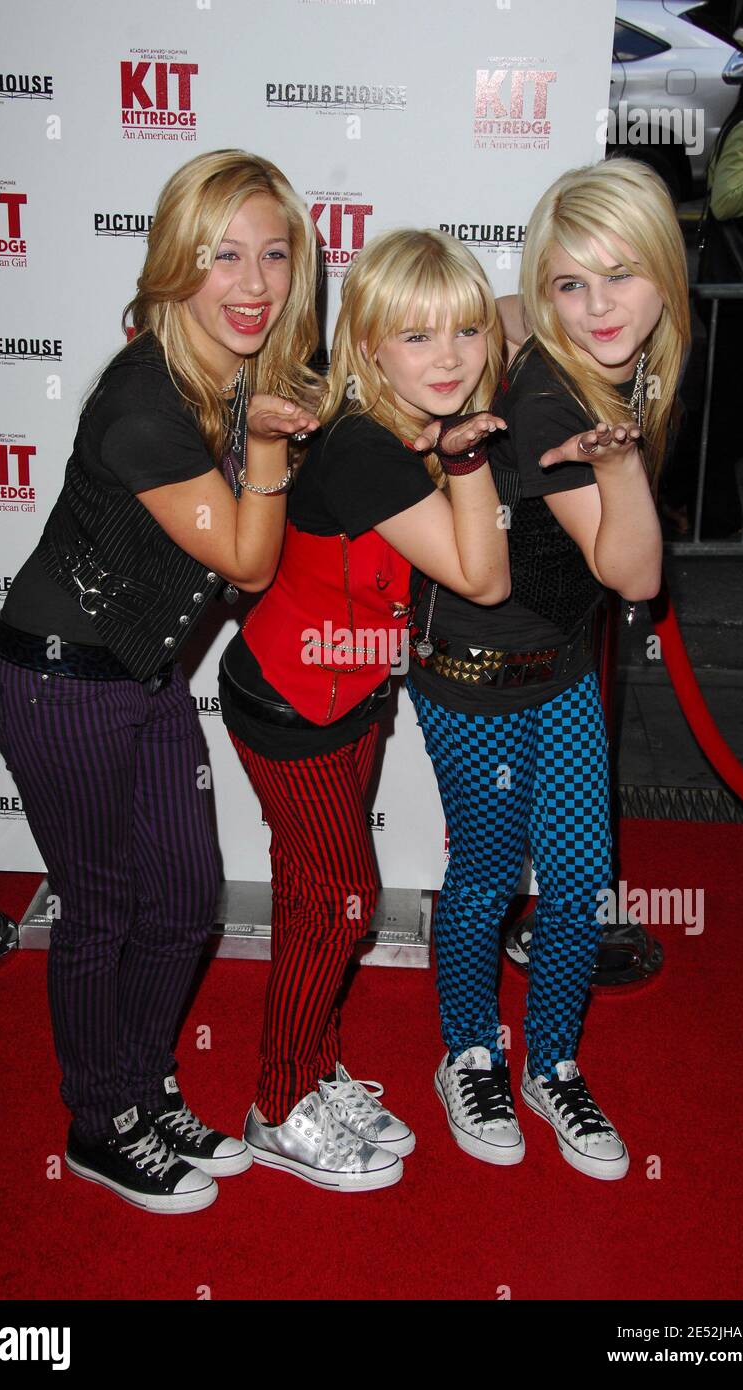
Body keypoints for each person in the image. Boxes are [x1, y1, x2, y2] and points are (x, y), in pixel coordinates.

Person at [0, 149, 321, 1215]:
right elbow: (249, 562)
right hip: (58, 683)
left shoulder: (234, 372)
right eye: (223, 254)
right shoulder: (146, 403)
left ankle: (144, 1084)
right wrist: (265, 450)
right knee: (105, 907)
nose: (253, 281)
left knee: (182, 899)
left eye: (273, 252)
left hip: (146, 677)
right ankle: (98, 1121)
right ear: (177, 262)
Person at [407, 158, 689, 1181]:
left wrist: (535, 302)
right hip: (476, 676)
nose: (600, 304)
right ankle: (471, 1051)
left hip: (561, 665)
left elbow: (519, 301)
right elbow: (634, 574)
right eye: (573, 284)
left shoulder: (602, 355)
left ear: (665, 268)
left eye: (619, 274)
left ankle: (553, 1062)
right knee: (486, 877)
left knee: (576, 880)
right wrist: (617, 468)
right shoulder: (548, 408)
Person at [217, 228, 510, 1192]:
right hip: (290, 705)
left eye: (465, 332)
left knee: (325, 901)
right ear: (370, 345)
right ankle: (278, 1104)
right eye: (417, 338)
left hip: (346, 698)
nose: (451, 357)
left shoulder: (390, 423)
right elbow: (480, 575)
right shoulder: (365, 450)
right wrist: (464, 464)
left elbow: (513, 323)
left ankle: (316, 1072)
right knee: (334, 909)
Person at [662, 31, 743, 536]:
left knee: (736, 404)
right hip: (738, 292)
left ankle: (689, 497)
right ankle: (687, 495)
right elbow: (724, 202)